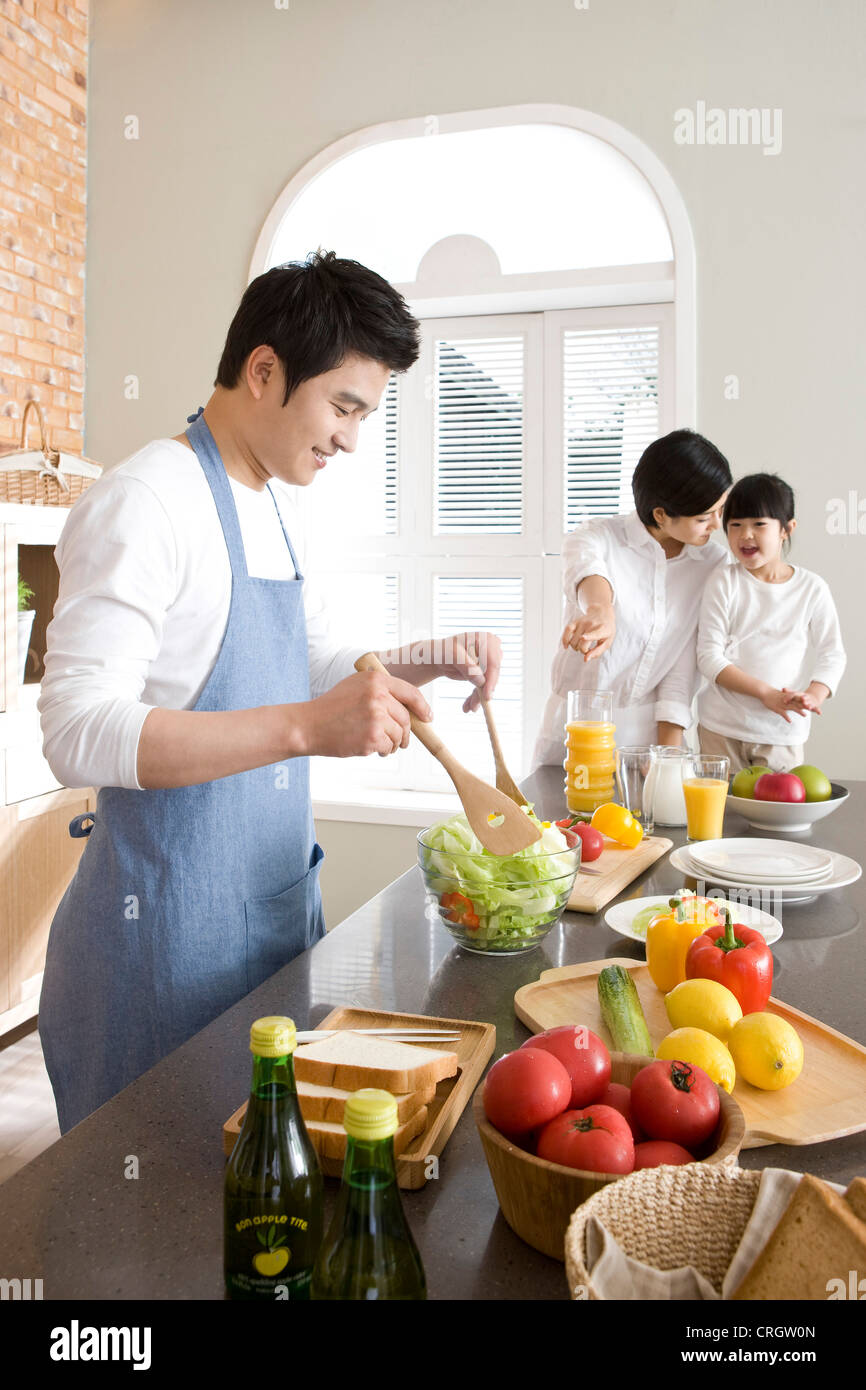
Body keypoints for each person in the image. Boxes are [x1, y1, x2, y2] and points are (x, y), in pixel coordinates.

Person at [37, 252, 502, 1134]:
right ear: (264, 371)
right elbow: (75, 727)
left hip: (267, 923)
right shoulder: (145, 500)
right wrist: (304, 727)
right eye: (345, 407)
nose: (353, 439)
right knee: (146, 1240)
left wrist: (416, 661)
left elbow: (311, 654)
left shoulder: (275, 498)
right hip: (159, 949)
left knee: (256, 1209)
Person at [532, 429, 733, 768]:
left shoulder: (713, 565)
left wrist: (666, 753)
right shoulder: (597, 537)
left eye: (721, 509)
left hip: (652, 738)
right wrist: (600, 609)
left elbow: (684, 666)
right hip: (578, 729)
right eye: (703, 517)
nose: (717, 524)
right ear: (660, 515)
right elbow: (587, 570)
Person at [696, 472, 845, 773]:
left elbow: (833, 654)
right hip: (720, 729)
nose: (745, 535)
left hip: (781, 733)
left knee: (777, 816)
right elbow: (708, 657)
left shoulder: (812, 589)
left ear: (787, 529)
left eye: (758, 524)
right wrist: (767, 694)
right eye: (735, 525)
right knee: (720, 815)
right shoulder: (724, 581)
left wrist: (813, 696)